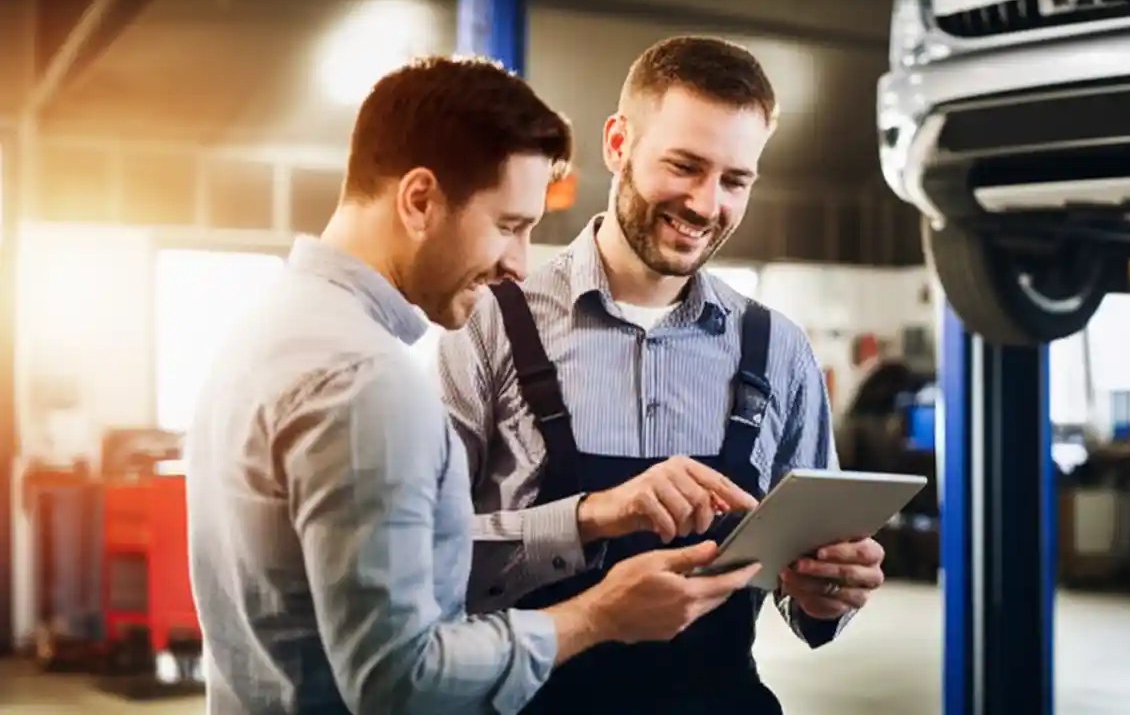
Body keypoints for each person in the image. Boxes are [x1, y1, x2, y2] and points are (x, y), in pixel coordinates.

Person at [184, 55, 761, 715]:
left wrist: (595, 515)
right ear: (420, 199)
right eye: (510, 226)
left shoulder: (272, 328)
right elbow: (402, 682)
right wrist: (600, 615)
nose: (519, 265)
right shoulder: (367, 383)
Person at [437, 36, 887, 714]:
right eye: (685, 166)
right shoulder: (486, 325)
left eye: (735, 180)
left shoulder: (777, 351)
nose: (707, 205)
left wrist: (826, 593)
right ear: (619, 144)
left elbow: (806, 594)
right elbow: (425, 565)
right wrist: (585, 520)